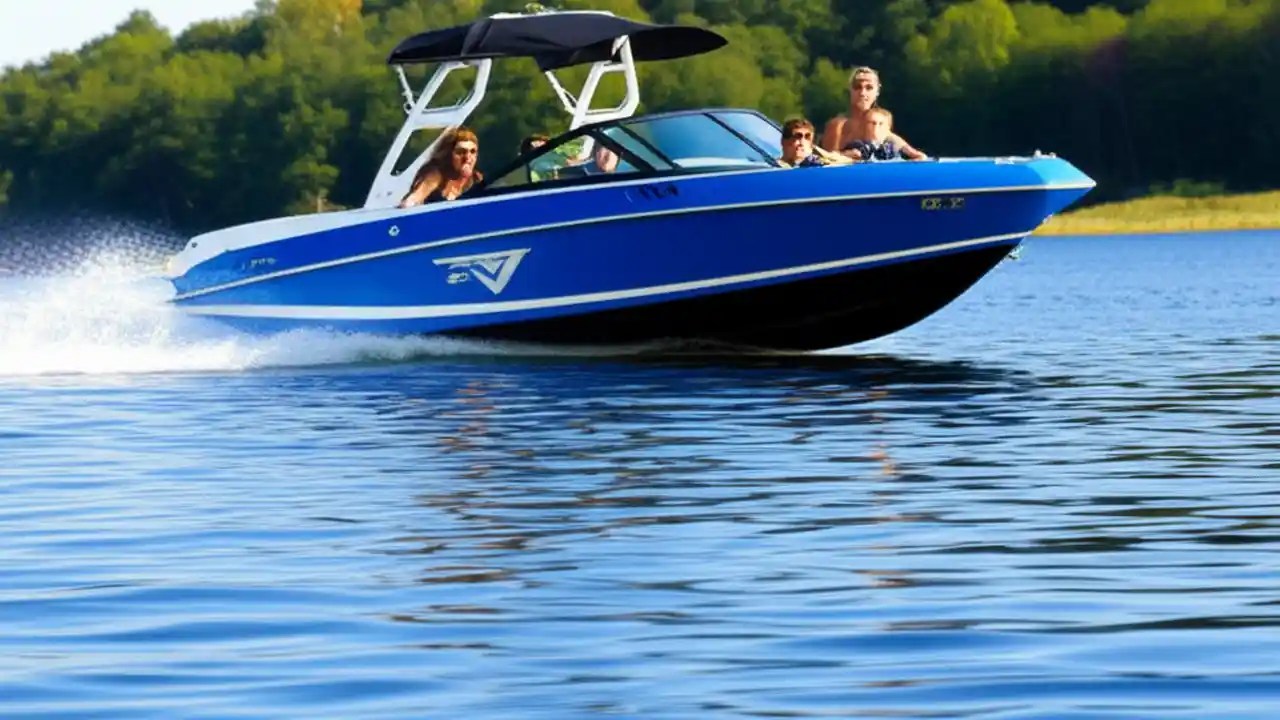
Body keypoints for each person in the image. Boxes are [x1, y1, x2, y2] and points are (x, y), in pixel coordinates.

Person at [821, 66, 926, 161]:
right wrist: (847, 155)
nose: (862, 93)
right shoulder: (838, 126)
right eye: (858, 87)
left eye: (869, 88)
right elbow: (827, 161)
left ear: (877, 91)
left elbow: (918, 156)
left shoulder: (880, 121)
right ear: (850, 90)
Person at [398, 127, 483, 208]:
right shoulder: (436, 174)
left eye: (472, 152)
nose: (468, 158)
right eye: (461, 152)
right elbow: (414, 198)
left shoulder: (474, 179)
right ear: (448, 154)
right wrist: (408, 204)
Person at [843, 108, 926, 161]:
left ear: (888, 128)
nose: (876, 127)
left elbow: (919, 156)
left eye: (881, 124)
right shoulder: (857, 144)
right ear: (864, 126)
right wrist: (847, 155)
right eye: (872, 123)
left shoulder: (893, 144)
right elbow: (837, 157)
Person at [778, 118, 851, 168]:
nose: (802, 142)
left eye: (807, 137)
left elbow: (845, 163)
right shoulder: (774, 167)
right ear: (784, 141)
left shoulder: (814, 163)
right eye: (797, 136)